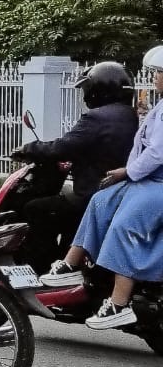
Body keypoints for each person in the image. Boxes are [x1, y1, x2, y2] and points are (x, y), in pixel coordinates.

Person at [40, 47, 163, 329]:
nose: (155, 77)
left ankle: (119, 303)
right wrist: (128, 175)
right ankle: (72, 265)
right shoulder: (157, 107)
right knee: (100, 201)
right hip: (145, 179)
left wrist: (127, 172)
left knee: (124, 225)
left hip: (158, 183)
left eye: (159, 73)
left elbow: (157, 153)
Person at [10, 61, 138, 256]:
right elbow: (93, 146)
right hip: (115, 190)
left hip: (93, 192)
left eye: (88, 88)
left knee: (35, 209)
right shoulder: (128, 114)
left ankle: (42, 262)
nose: (86, 93)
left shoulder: (97, 117)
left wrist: (28, 149)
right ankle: (65, 253)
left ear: (98, 89)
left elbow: (62, 146)